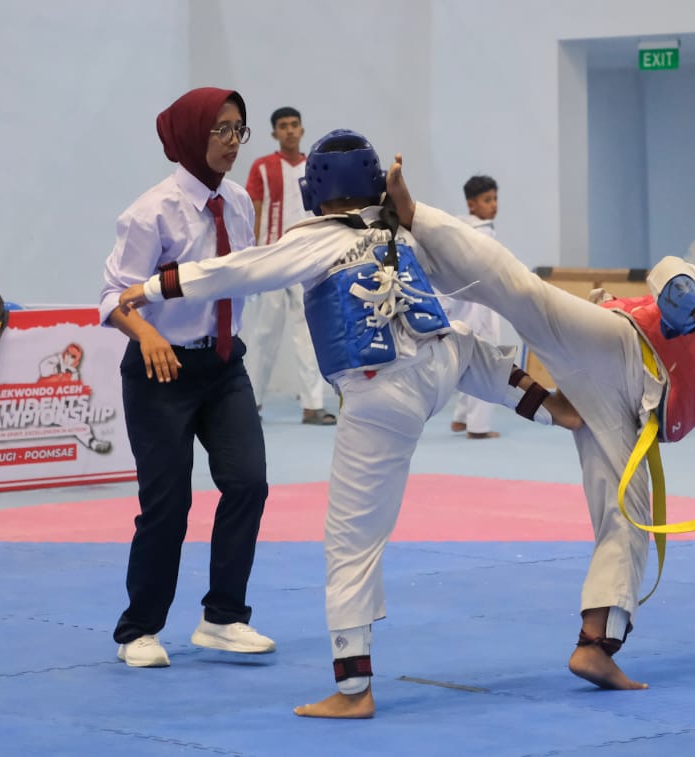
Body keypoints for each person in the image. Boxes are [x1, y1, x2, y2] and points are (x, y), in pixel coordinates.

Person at [117, 129, 583, 717]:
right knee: (468, 349)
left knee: (351, 545)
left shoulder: (313, 239)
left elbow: (238, 270)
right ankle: (549, 404)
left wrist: (155, 284)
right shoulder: (396, 227)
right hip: (440, 362)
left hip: (382, 392)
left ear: (313, 188)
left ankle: (352, 689)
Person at [384, 157, 695, 693]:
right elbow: (670, 271)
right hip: (616, 351)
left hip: (620, 401)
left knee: (628, 519)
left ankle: (596, 645)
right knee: (522, 292)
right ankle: (414, 216)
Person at [99, 86, 273, 669]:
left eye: (238, 130)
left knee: (248, 483)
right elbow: (110, 296)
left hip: (223, 365)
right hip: (160, 370)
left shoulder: (241, 203)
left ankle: (223, 618)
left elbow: (241, 272)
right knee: (168, 506)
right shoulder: (150, 211)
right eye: (220, 129)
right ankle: (139, 629)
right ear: (190, 133)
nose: (231, 142)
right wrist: (146, 335)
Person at [243, 106, 336, 425]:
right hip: (271, 258)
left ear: (302, 129)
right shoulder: (262, 167)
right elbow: (252, 211)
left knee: (308, 332)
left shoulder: (314, 167)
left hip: (307, 259)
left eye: (295, 125)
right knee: (263, 334)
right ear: (274, 133)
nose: (290, 131)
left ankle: (312, 405)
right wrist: (251, 255)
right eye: (283, 126)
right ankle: (250, 403)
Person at [446, 174, 505, 438]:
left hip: (461, 306)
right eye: (487, 200)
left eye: (495, 198)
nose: (493, 205)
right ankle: (478, 427)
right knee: (486, 364)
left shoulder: (459, 229)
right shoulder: (482, 233)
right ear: (472, 205)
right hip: (481, 305)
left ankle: (460, 418)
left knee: (465, 362)